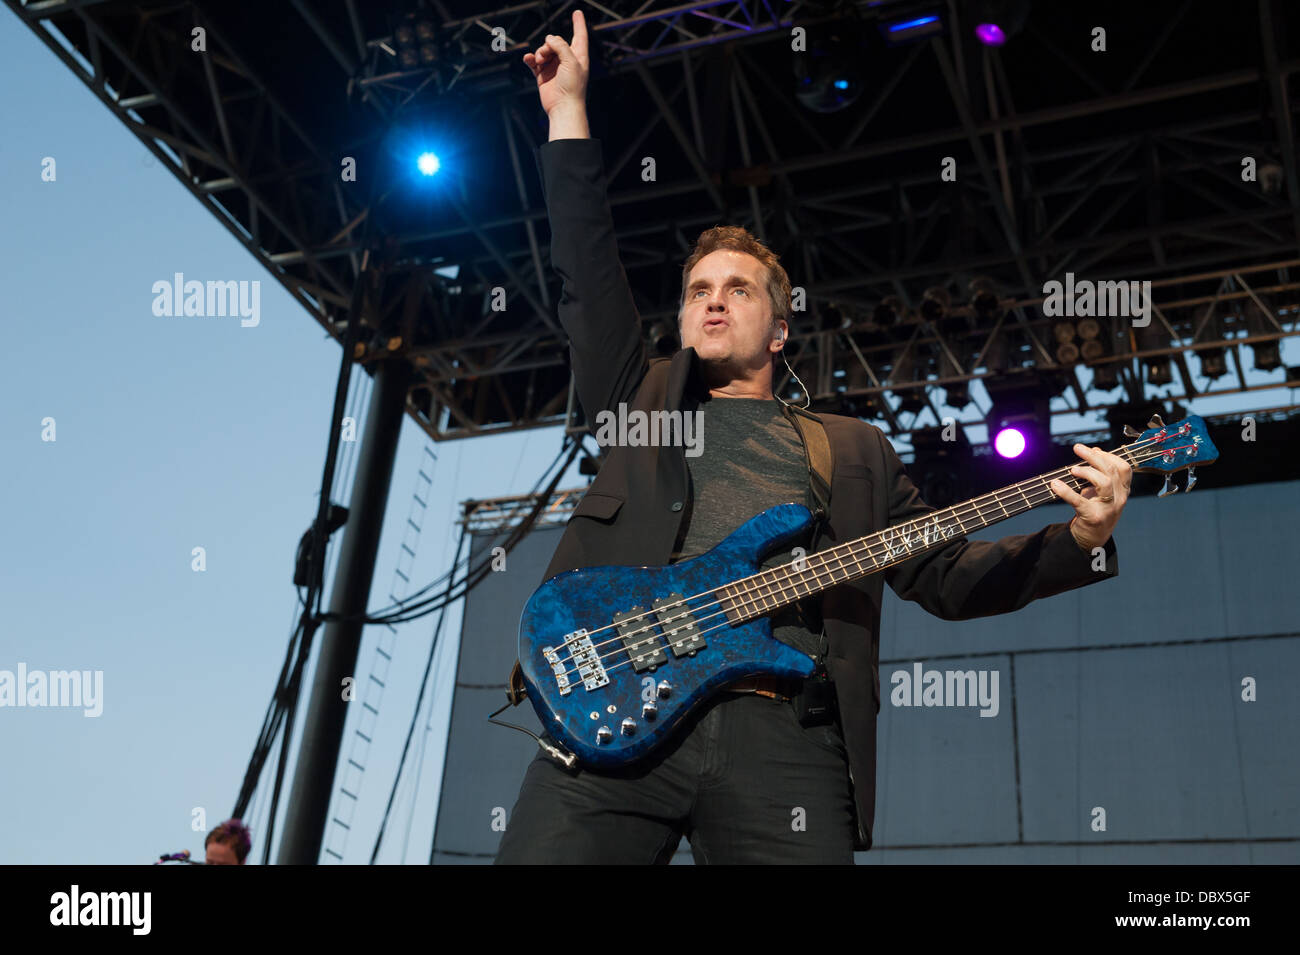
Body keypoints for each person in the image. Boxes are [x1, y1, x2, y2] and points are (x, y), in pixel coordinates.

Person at [495, 9, 1131, 864]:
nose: (712, 300)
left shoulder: (854, 450)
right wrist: (567, 111)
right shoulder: (638, 396)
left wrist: (1081, 541)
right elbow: (585, 271)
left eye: (738, 289)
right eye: (696, 290)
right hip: (612, 705)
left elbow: (943, 574)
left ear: (781, 327)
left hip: (784, 734)